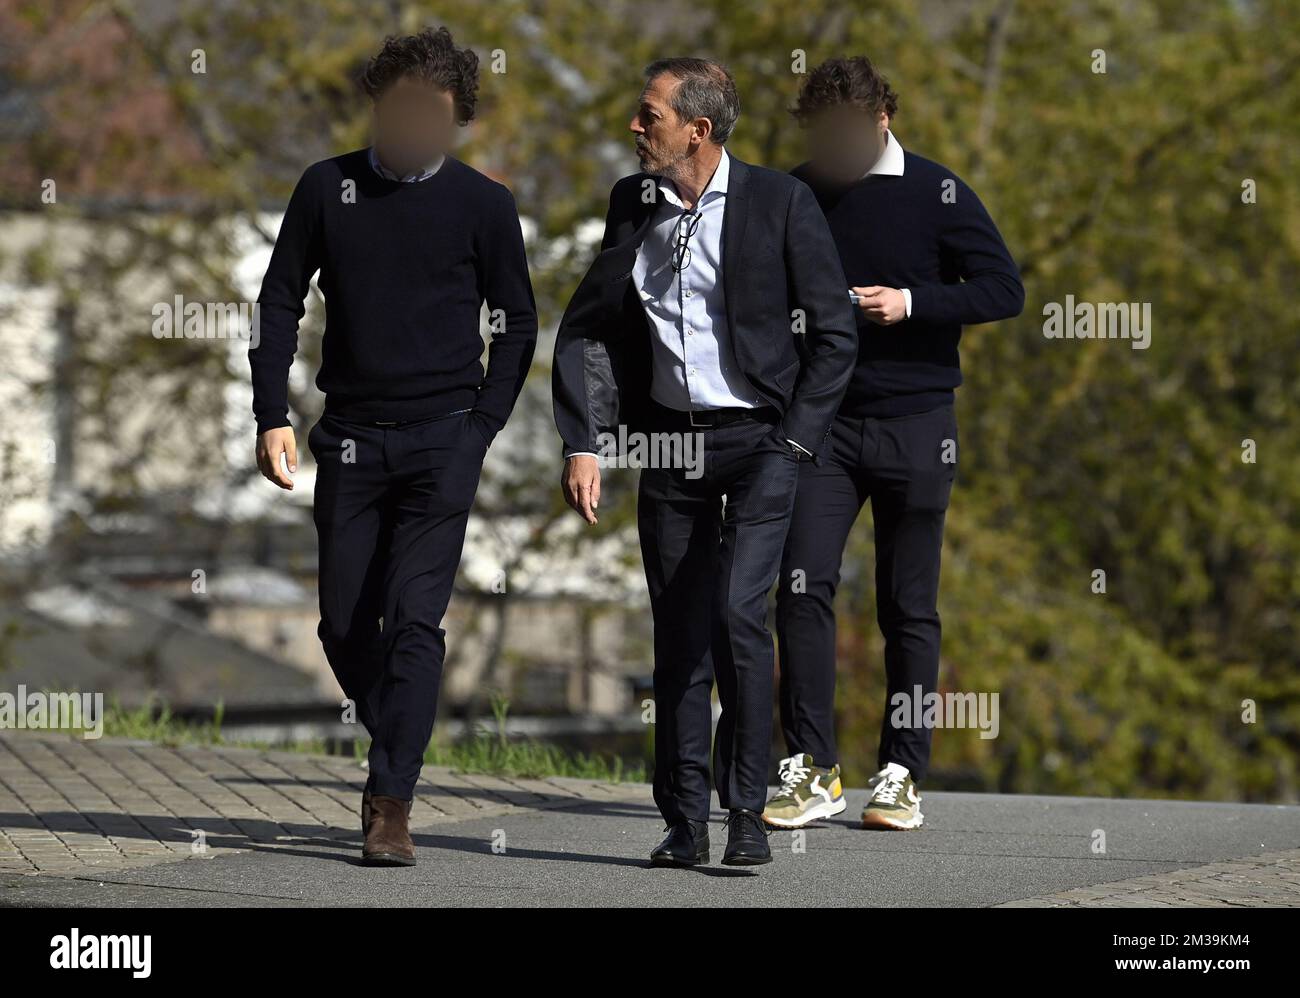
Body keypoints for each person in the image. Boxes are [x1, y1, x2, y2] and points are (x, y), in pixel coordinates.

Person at [553, 58, 856, 867]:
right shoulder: (632, 203)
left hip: (762, 442)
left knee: (737, 617)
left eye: (648, 114)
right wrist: (586, 437)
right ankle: (684, 822)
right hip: (668, 444)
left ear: (699, 129)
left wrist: (796, 441)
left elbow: (834, 335)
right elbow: (590, 326)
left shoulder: (780, 202)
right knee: (679, 634)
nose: (634, 126)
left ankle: (748, 811)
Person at [250, 26, 537, 865]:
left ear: (454, 122)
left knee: (415, 621)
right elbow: (278, 303)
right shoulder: (325, 188)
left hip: (443, 442)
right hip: (347, 441)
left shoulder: (484, 204)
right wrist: (273, 413)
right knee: (343, 625)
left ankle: (390, 805)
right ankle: (405, 733)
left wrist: (480, 429)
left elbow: (517, 325)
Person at [764, 56, 1023, 832]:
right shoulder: (797, 190)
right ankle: (811, 768)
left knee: (908, 607)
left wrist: (909, 303)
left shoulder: (938, 191)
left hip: (917, 425)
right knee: (801, 586)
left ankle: (902, 773)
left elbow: (1003, 290)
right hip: (824, 426)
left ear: (883, 119)